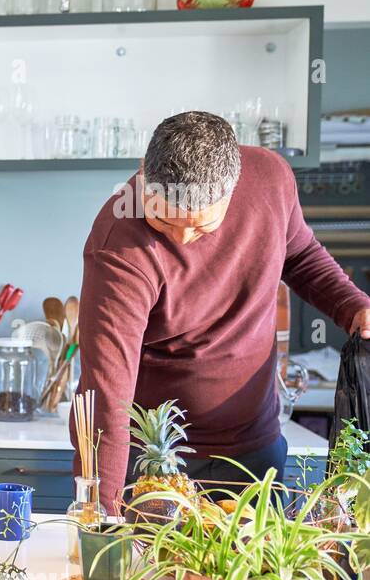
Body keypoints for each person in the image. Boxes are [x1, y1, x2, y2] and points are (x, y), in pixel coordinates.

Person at [75, 111, 370, 513]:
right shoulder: (118, 247)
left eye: (200, 228)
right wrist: (100, 516)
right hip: (157, 464)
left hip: (254, 448)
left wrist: (353, 306)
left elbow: (298, 254)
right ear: (145, 174)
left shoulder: (270, 179)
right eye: (163, 219)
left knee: (254, 575)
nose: (180, 239)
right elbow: (105, 393)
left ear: (234, 190)